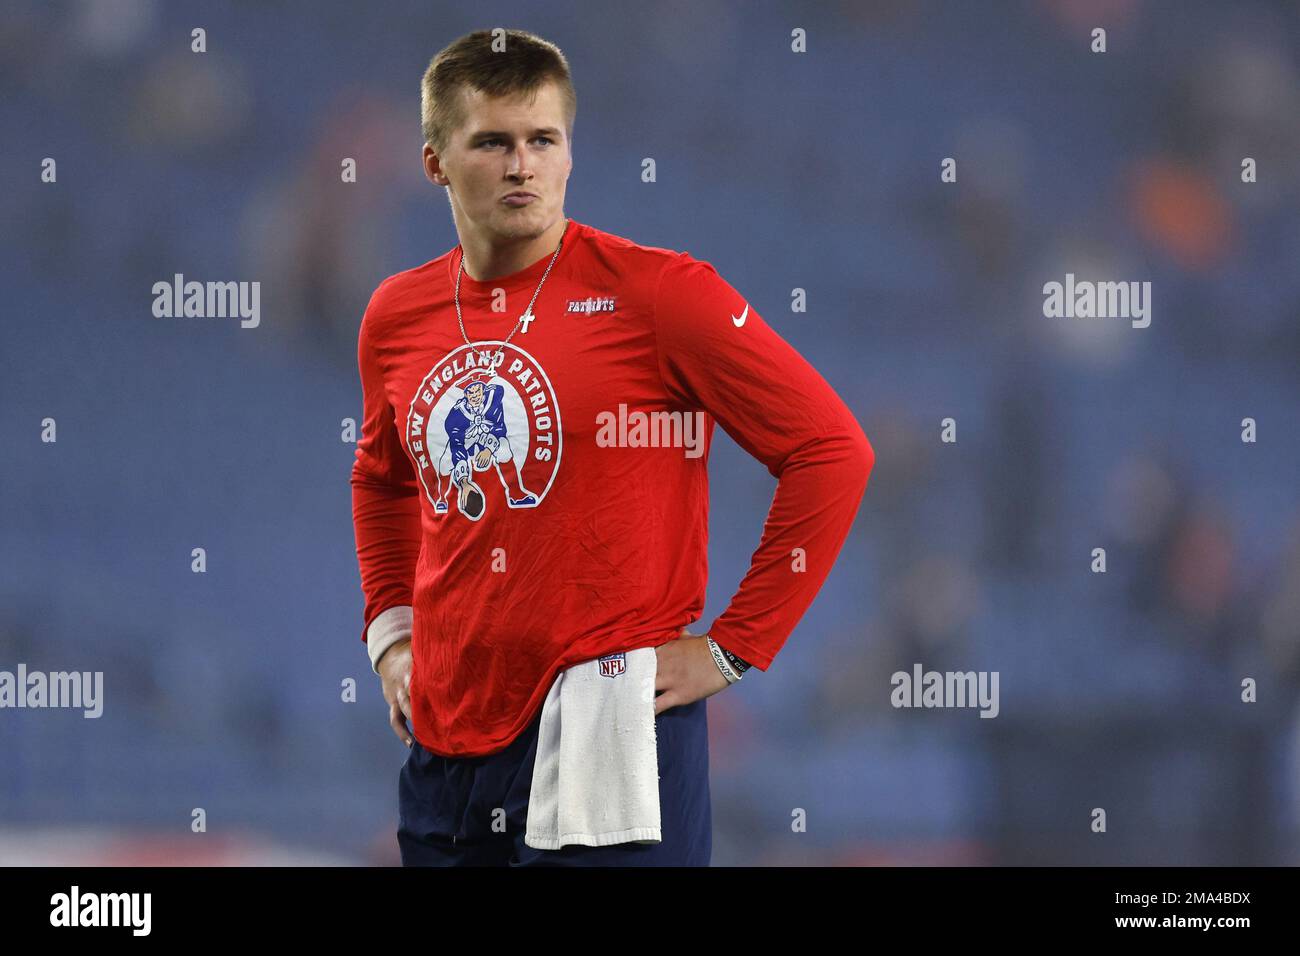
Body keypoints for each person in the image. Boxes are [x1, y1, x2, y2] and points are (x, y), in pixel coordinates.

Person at [350, 28, 875, 866]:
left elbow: (832, 450)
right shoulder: (396, 314)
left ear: (568, 155)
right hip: (446, 750)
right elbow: (382, 478)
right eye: (492, 142)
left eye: (542, 140)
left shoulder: (661, 294)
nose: (522, 165)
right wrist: (392, 634)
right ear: (435, 162)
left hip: (613, 737)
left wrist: (736, 645)